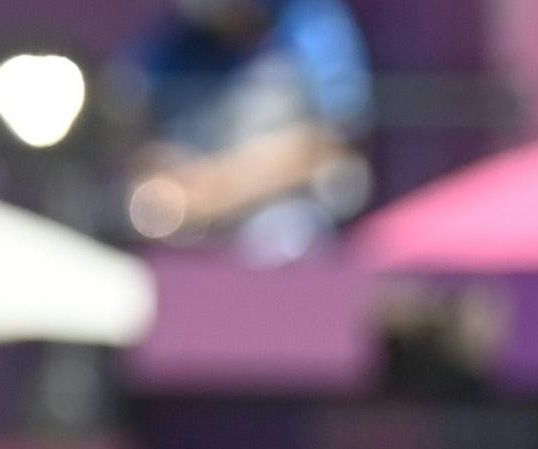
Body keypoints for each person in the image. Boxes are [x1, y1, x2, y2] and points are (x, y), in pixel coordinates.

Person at [110, 0, 374, 258]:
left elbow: (334, 143)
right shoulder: (177, 39)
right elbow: (129, 125)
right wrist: (162, 179)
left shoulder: (310, 18)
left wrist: (220, 187)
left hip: (281, 213)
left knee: (288, 235)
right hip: (190, 223)